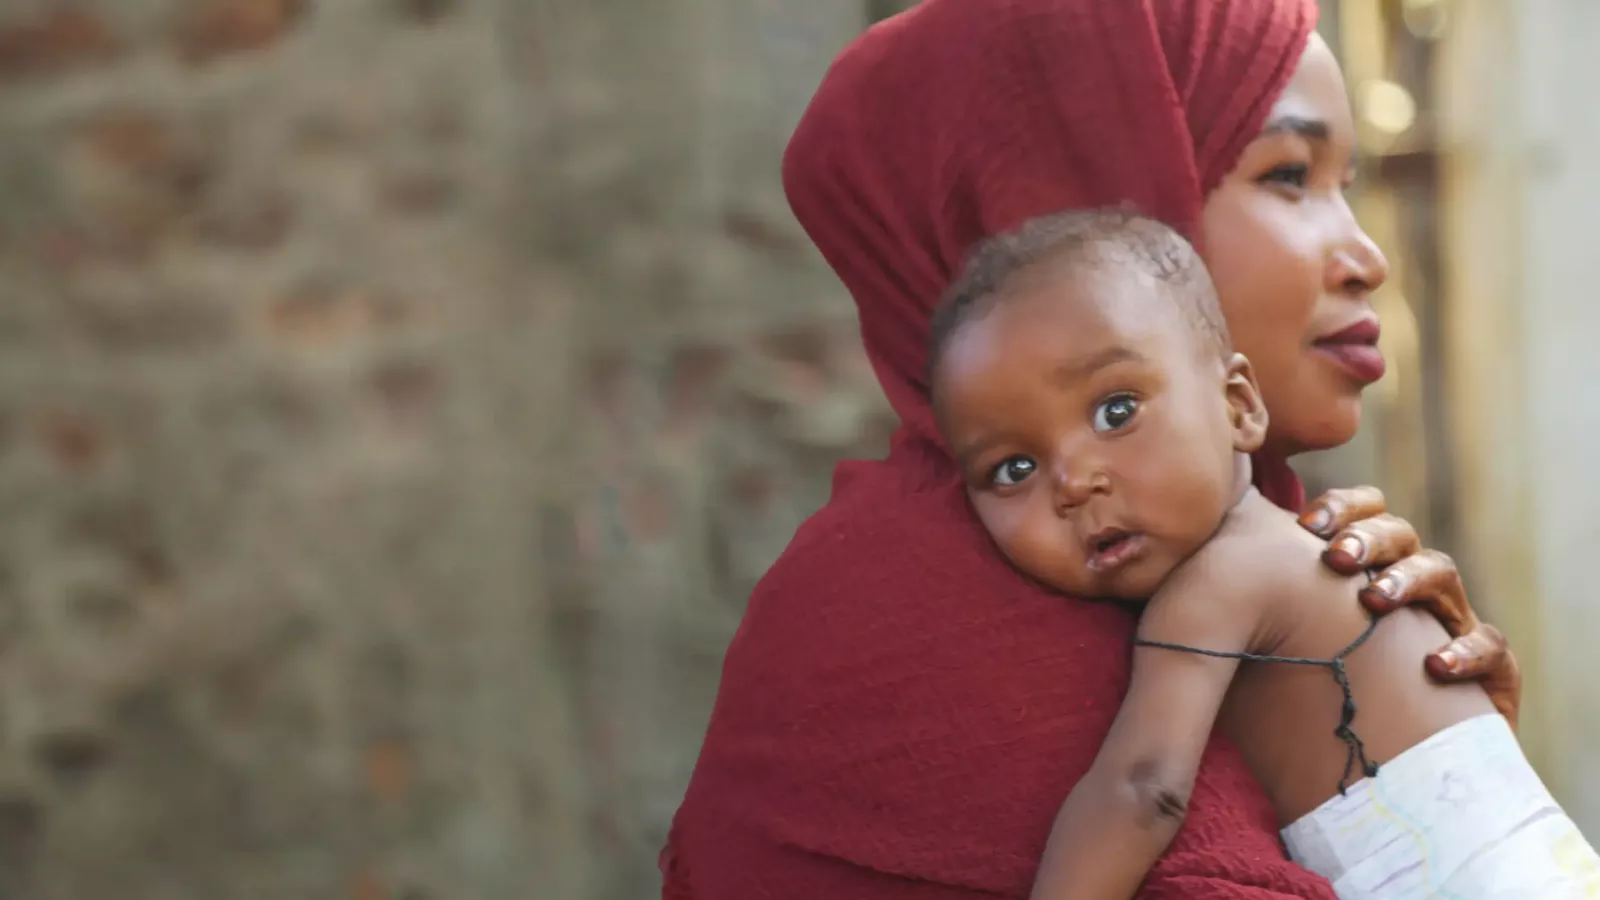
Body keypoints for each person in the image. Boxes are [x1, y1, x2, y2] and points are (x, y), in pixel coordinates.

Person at [663, 1, 1522, 897]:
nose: (1366, 257)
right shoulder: (907, 636)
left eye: (1348, 181)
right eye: (1289, 175)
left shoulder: (1242, 559)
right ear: (1077, 190)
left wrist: (1455, 757)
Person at [926, 208, 1595, 899]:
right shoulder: (1296, 553)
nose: (1073, 483)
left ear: (1238, 407)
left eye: (1116, 412)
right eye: (1013, 469)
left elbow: (1143, 790)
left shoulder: (1224, 577)